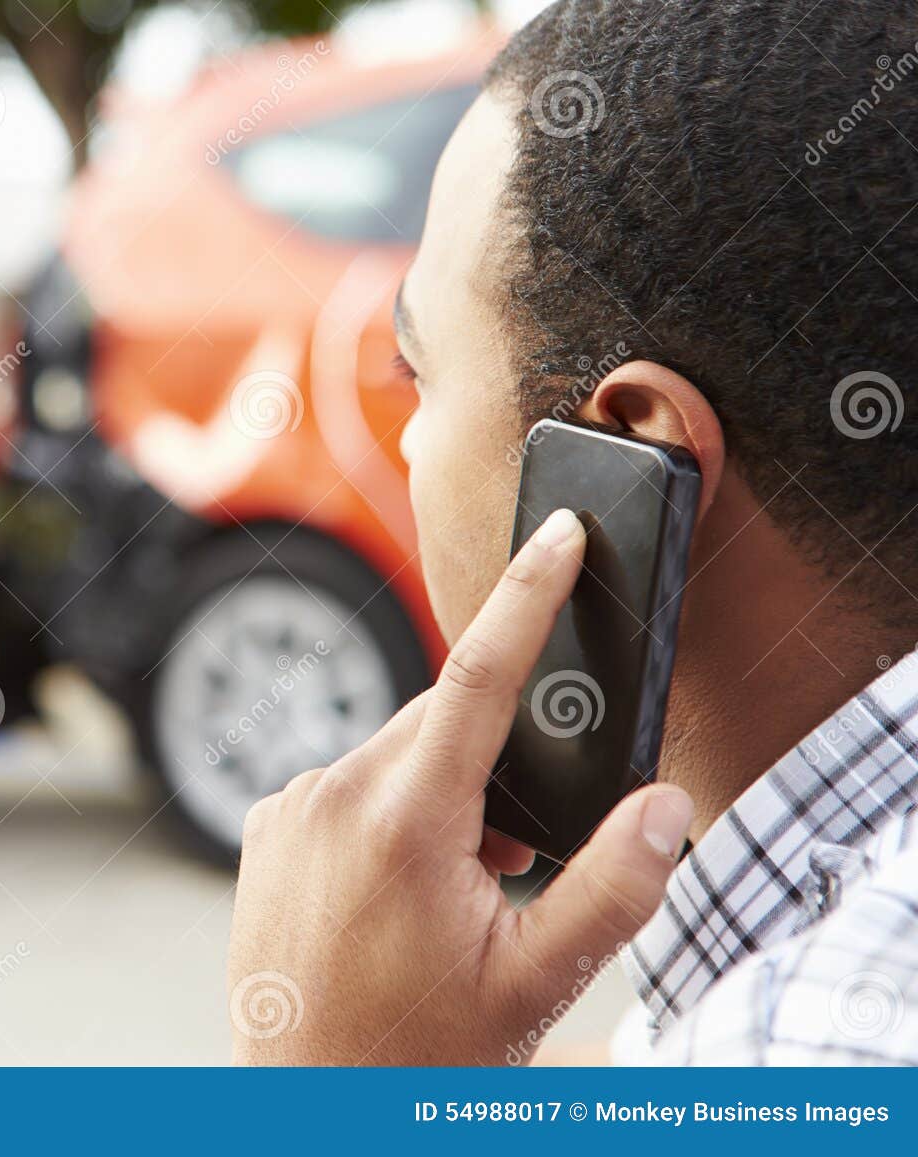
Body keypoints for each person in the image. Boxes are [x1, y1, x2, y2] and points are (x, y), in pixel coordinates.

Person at [228, 0, 918, 1066]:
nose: (408, 444)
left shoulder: (800, 1041)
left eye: (420, 371)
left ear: (631, 452)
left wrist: (333, 1090)